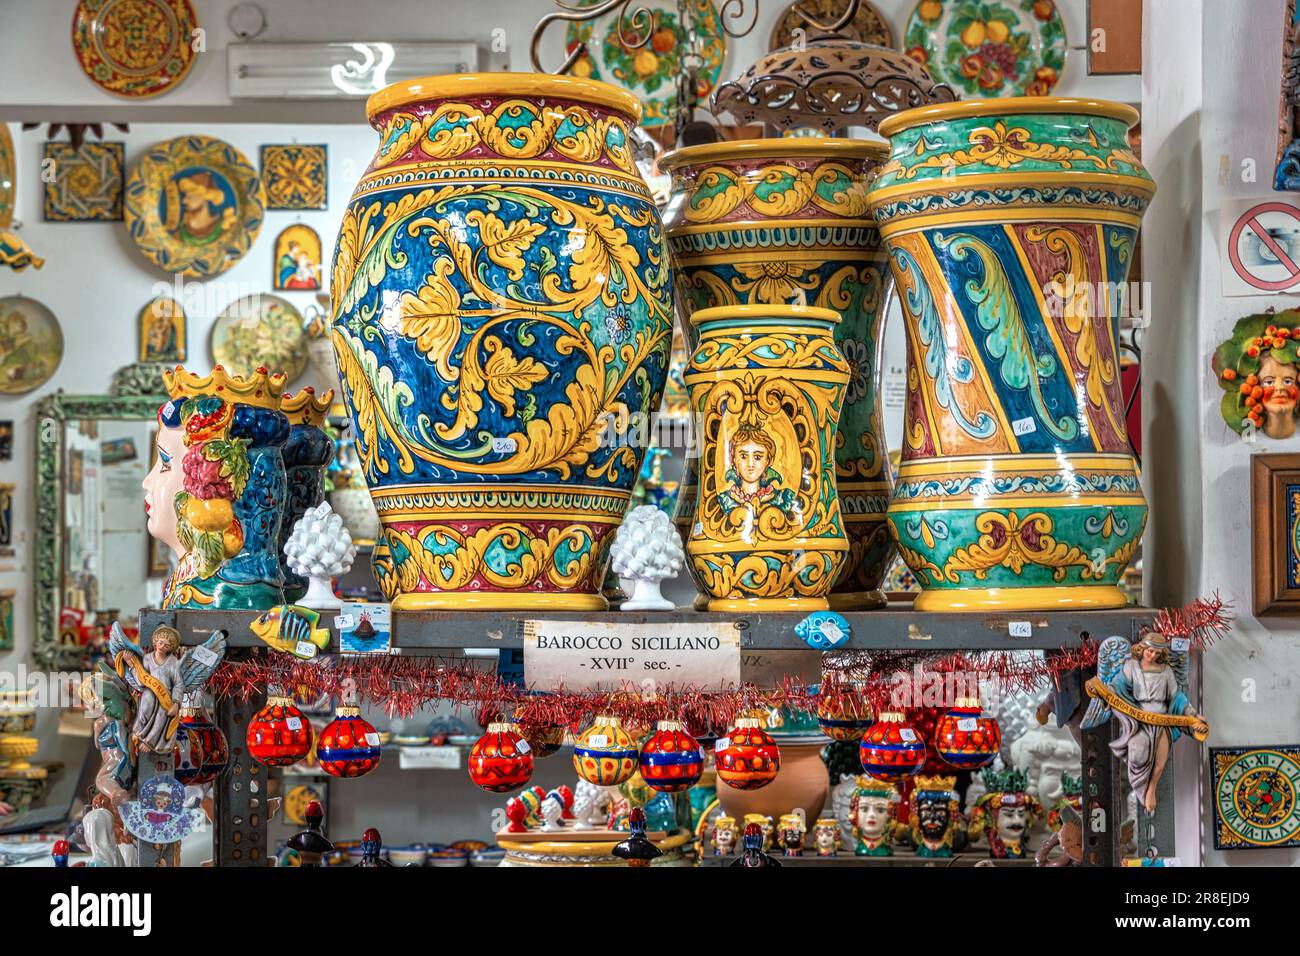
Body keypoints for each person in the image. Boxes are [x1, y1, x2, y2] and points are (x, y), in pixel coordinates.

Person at [715, 427, 797, 522]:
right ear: (734, 459)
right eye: (743, 456)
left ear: (768, 461)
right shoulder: (724, 500)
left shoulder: (784, 498)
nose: (750, 464)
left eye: (757, 457)